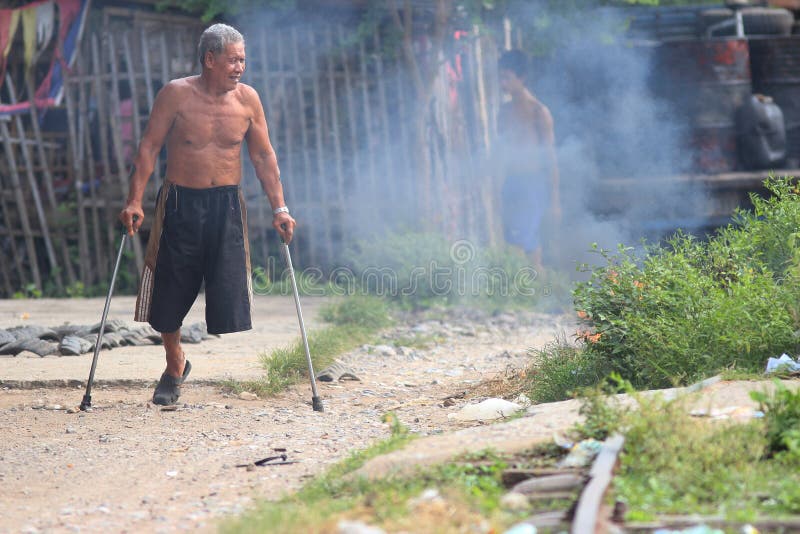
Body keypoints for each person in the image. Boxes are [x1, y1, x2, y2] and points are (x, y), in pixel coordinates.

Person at [118, 23, 295, 406]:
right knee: (168, 289)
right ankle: (174, 364)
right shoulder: (176, 95)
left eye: (243, 60)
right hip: (181, 203)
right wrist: (135, 200)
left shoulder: (248, 101)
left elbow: (263, 156)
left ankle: (180, 362)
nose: (239, 68)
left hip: (226, 205)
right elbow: (148, 148)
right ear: (210, 59)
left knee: (227, 289)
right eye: (233, 60)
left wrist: (279, 207)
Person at [497, 50, 560, 268]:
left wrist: (554, 199)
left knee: (527, 243)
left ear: (521, 78)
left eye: (507, 77)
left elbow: (549, 157)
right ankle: (528, 294)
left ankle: (535, 294)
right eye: (500, 77)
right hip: (511, 183)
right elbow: (501, 152)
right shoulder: (503, 112)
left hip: (533, 184)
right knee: (513, 240)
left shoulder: (539, 112)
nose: (502, 82)